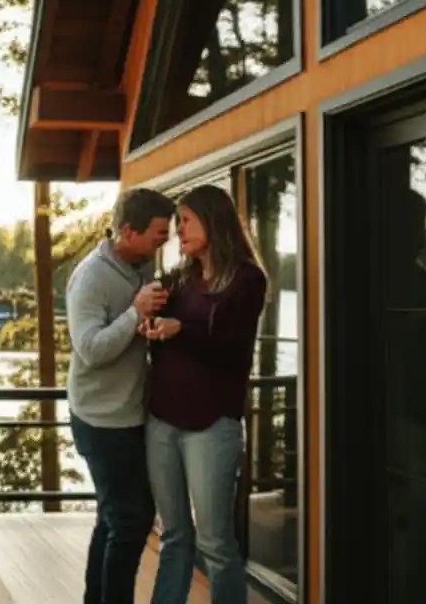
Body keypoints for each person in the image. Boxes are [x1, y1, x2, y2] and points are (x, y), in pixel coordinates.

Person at [142, 184, 268, 604]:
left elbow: (234, 353)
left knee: (216, 544)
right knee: (174, 536)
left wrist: (183, 331)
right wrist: (153, 325)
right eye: (178, 223)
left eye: (186, 221)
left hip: (211, 428)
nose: (179, 231)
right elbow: (163, 336)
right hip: (162, 421)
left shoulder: (248, 280)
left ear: (213, 220)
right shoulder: (180, 278)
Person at [65, 187, 175, 604]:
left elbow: (131, 333)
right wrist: (136, 313)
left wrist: (150, 324)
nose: (164, 241)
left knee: (113, 520)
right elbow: (90, 350)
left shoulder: (139, 267)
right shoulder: (91, 278)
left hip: (129, 416)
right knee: (131, 521)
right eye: (159, 233)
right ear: (129, 231)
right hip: (100, 420)